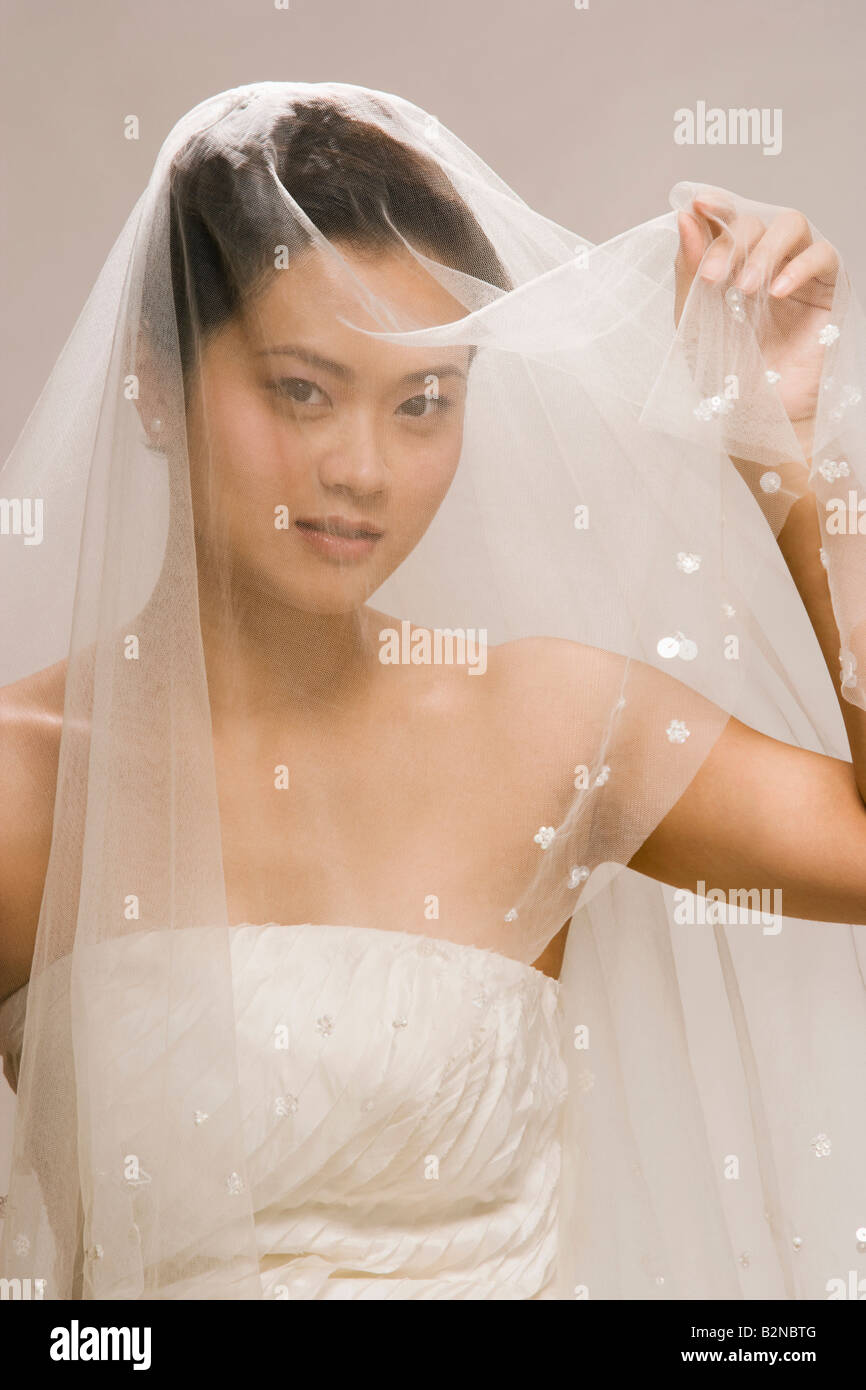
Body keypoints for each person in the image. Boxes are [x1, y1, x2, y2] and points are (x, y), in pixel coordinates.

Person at [0, 81, 864, 1300]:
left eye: (421, 404)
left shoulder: (553, 728)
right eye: (301, 389)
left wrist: (788, 445)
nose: (360, 468)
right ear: (153, 378)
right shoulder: (25, 786)